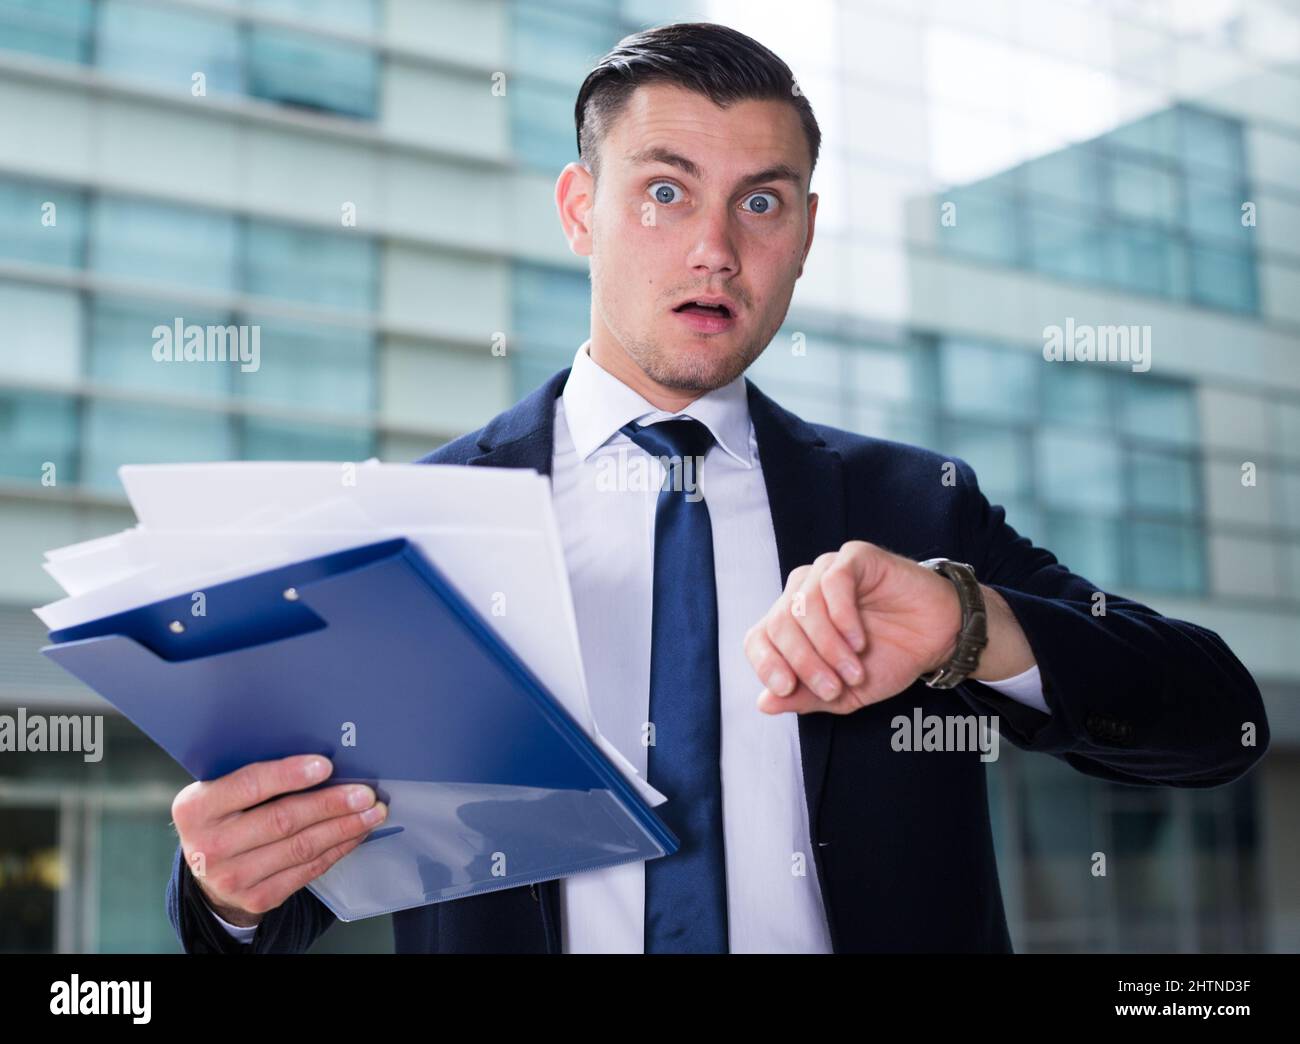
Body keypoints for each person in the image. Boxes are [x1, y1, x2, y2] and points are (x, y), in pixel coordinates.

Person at [165, 21, 1268, 954]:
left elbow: (1221, 725)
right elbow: (286, 889)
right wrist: (224, 890)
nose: (713, 251)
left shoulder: (912, 507)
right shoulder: (416, 531)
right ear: (577, 209)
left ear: (804, 235)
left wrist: (968, 626)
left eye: (760, 204)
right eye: (661, 193)